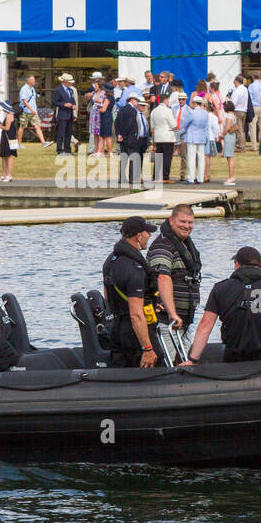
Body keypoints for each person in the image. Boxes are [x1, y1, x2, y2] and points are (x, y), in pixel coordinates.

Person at [102, 216, 160, 368]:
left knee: (119, 374)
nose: (149, 236)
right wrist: (147, 349)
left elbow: (107, 296)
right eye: (147, 232)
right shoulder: (135, 269)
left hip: (117, 328)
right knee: (155, 375)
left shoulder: (110, 260)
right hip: (136, 333)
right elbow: (136, 315)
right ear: (138, 236)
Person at [148, 204, 202, 348]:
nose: (187, 226)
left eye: (190, 222)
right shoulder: (163, 245)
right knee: (170, 363)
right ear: (171, 220)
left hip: (186, 319)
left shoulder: (185, 245)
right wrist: (172, 313)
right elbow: (162, 278)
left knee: (185, 362)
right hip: (167, 320)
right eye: (182, 222)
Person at [116, 92, 151, 188]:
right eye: (141, 104)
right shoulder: (133, 111)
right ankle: (133, 178)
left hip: (133, 139)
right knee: (133, 158)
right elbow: (129, 125)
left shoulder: (122, 110)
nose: (143, 107)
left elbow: (117, 123)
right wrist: (122, 134)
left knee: (126, 158)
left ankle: (125, 177)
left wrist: (119, 134)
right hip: (133, 139)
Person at [179, 94, 209, 183]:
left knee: (191, 158)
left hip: (192, 136)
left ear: (195, 103)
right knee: (201, 159)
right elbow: (206, 126)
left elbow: (184, 124)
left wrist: (179, 132)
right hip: (202, 137)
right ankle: (200, 178)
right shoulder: (205, 113)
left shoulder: (191, 112)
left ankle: (191, 178)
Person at [150, 90, 178, 182]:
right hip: (167, 137)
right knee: (167, 158)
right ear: (165, 100)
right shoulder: (168, 110)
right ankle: (165, 177)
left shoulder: (153, 111)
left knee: (158, 157)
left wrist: (153, 142)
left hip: (158, 137)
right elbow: (174, 125)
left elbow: (152, 127)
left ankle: (156, 176)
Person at [18, 75, 49, 147]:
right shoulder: (24, 89)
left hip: (33, 111)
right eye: (32, 80)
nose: (34, 81)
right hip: (25, 111)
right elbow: (24, 100)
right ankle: (19, 144)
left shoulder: (32, 88)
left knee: (37, 126)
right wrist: (31, 109)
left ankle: (43, 142)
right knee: (22, 126)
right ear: (28, 80)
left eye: (34, 80)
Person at [53, 73, 77, 154]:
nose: (71, 83)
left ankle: (67, 149)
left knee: (69, 133)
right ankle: (59, 149)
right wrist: (64, 104)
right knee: (61, 133)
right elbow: (55, 102)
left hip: (70, 114)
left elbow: (73, 100)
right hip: (62, 115)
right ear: (65, 82)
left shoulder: (71, 90)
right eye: (70, 82)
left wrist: (73, 106)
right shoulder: (58, 90)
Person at [0, 99, 18, 182]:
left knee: (9, 156)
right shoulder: (8, 115)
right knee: (4, 156)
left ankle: (9, 175)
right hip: (7, 137)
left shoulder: (9, 116)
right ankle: (4, 174)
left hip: (9, 137)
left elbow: (7, 128)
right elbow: (3, 125)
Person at [221, 99, 241, 185]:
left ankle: (231, 177)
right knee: (230, 157)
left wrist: (222, 135)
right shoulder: (233, 115)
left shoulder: (229, 116)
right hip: (232, 137)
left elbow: (227, 127)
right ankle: (231, 177)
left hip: (229, 137)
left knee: (230, 157)